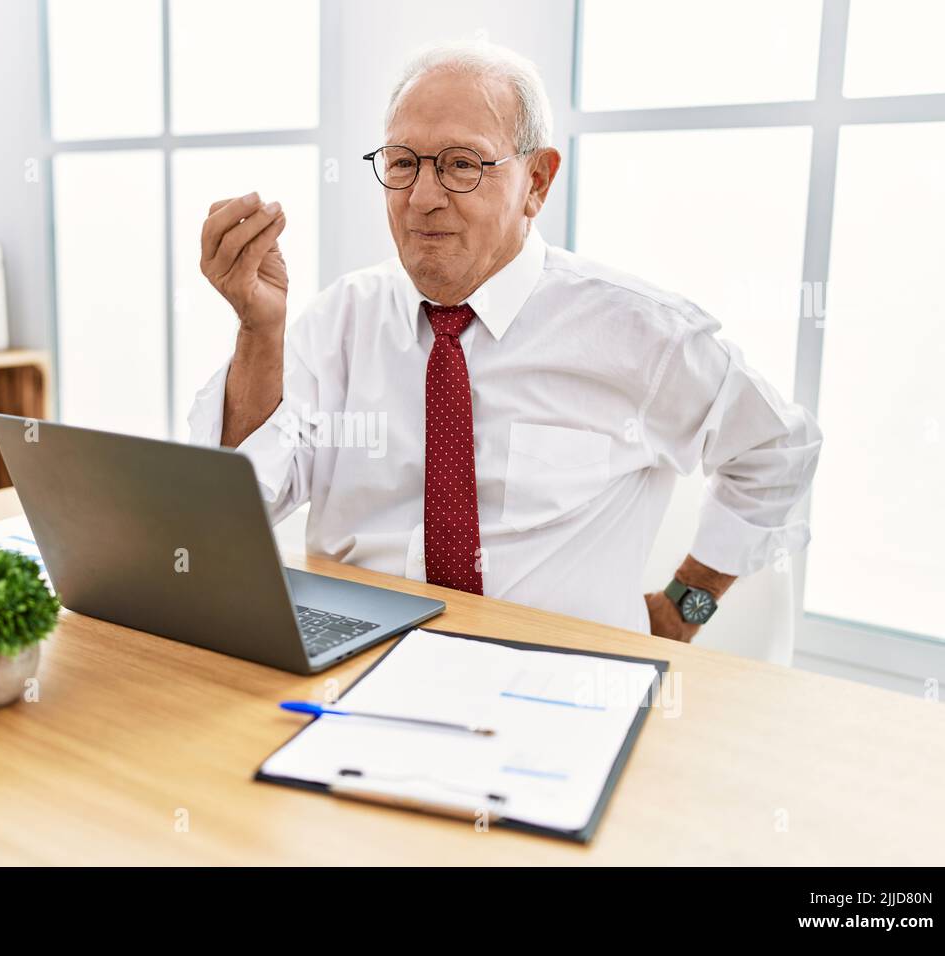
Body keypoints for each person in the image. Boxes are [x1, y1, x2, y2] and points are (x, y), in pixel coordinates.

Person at [188, 42, 822, 642]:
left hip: (557, 680)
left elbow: (778, 451)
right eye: (403, 164)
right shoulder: (342, 318)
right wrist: (259, 331)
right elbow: (236, 511)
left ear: (537, 182)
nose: (422, 198)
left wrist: (688, 609)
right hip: (354, 659)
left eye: (462, 165)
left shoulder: (639, 332)